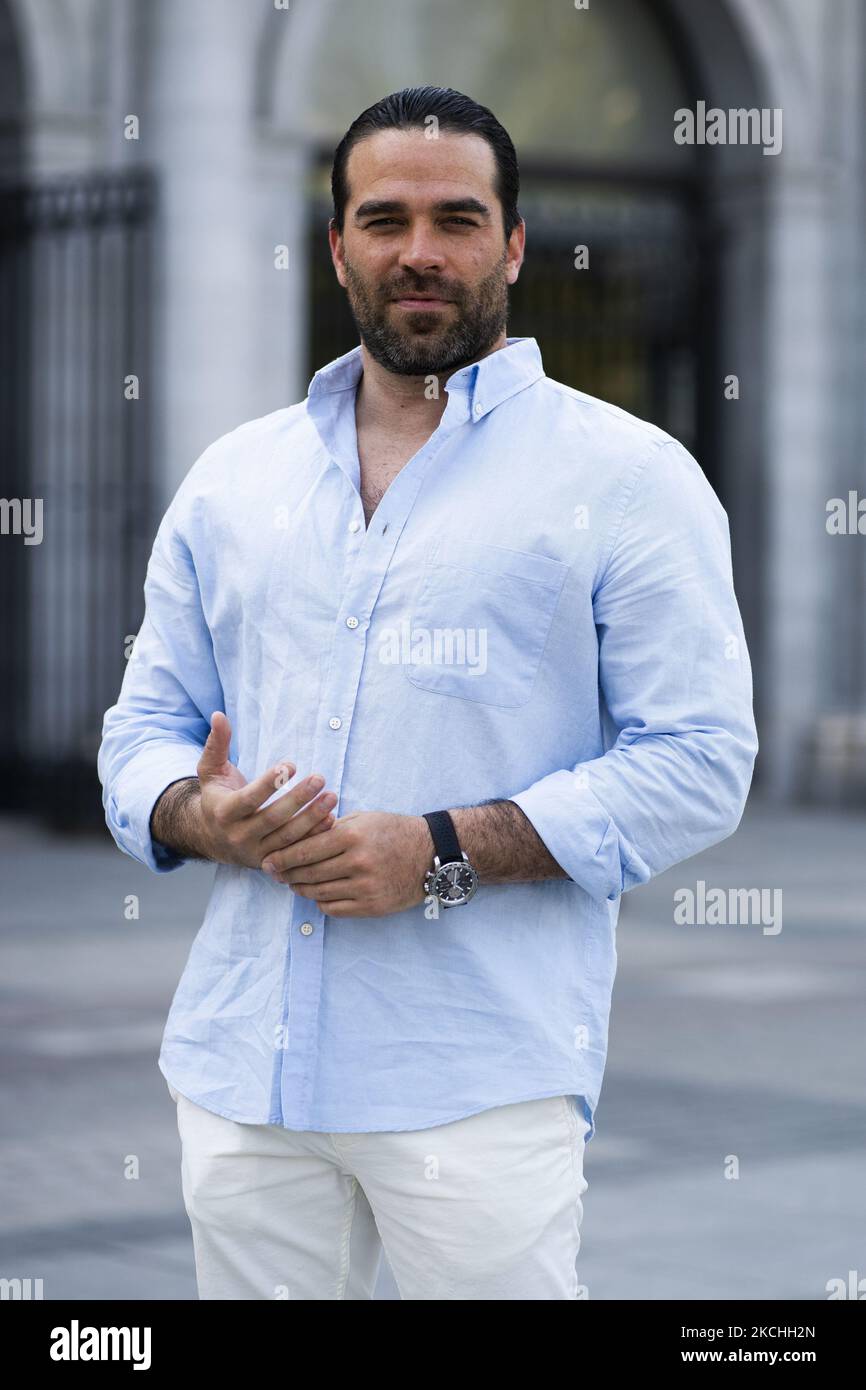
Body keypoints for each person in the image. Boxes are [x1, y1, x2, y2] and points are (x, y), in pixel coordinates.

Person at [98, 86, 758, 1301]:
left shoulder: (625, 476)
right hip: (244, 1071)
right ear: (336, 241)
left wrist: (437, 851)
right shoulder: (233, 478)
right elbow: (143, 728)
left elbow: (698, 759)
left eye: (456, 218)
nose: (418, 251)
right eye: (383, 217)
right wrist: (200, 817)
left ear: (511, 242)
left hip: (475, 1082)